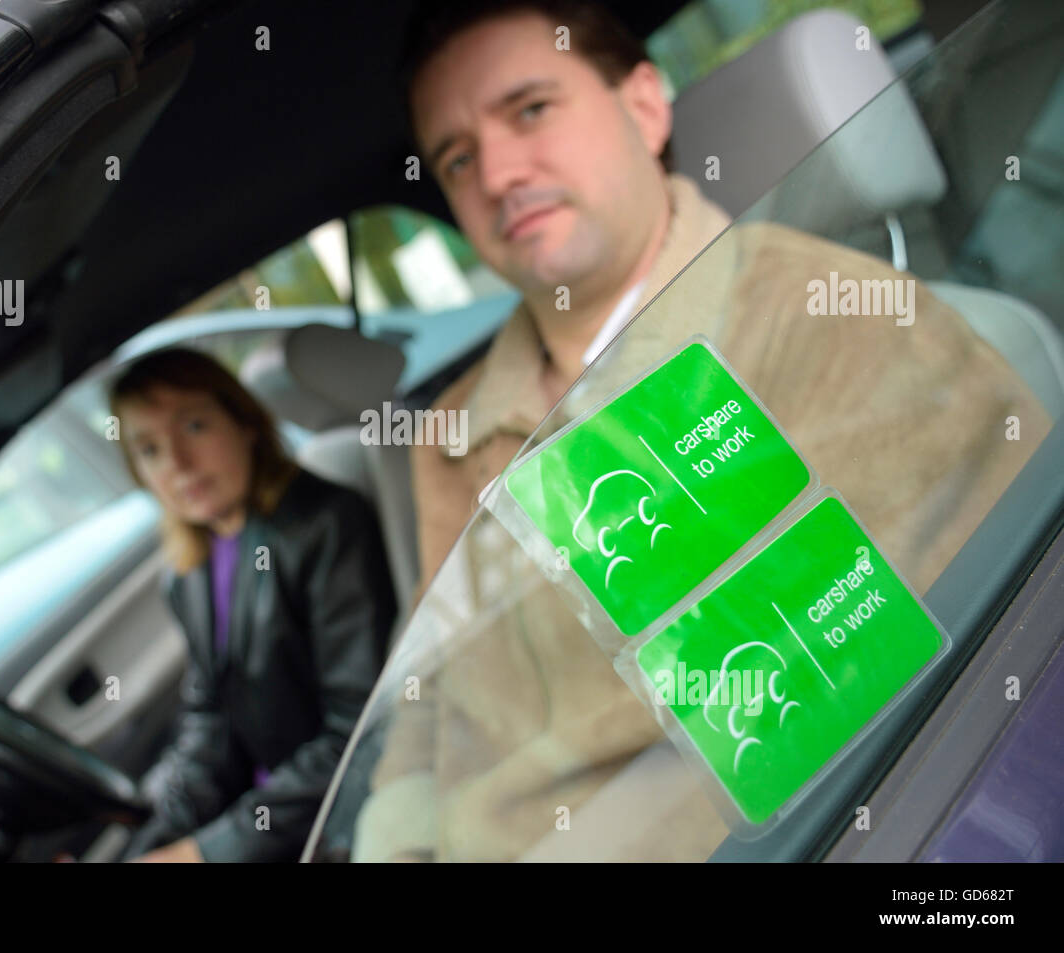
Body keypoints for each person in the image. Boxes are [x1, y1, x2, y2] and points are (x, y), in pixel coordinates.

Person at [353, 0, 1048, 861]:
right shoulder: (451, 430)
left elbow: (914, 734)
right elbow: (434, 686)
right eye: (457, 158)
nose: (495, 172)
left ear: (644, 105)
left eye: (530, 110)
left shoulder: (850, 327)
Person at [109, 347, 395, 862]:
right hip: (263, 816)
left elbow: (359, 733)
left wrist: (206, 852)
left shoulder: (325, 525)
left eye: (194, 427)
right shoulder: (185, 572)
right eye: (150, 450)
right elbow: (210, 722)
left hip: (336, 818)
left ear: (246, 424)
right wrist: (145, 849)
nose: (177, 464)